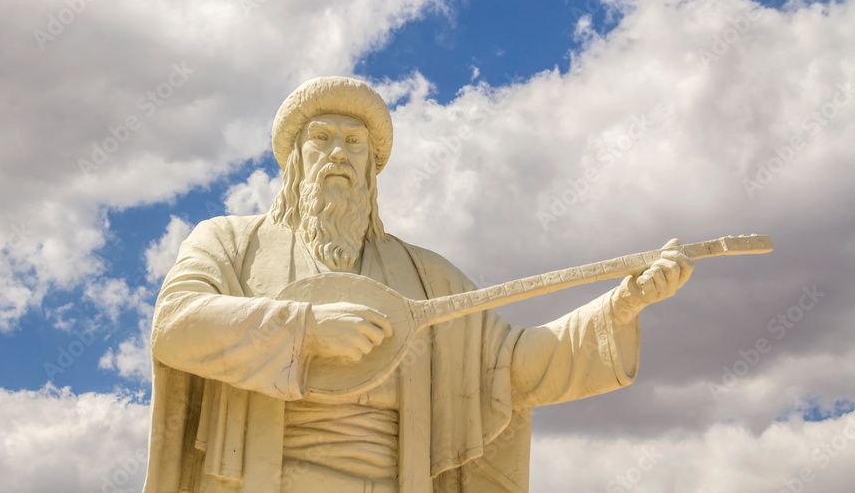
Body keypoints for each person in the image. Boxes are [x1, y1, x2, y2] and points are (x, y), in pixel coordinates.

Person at [142, 76, 692, 493]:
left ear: (372, 169)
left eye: (355, 143)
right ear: (293, 162)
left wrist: (618, 310)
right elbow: (174, 326)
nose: (338, 153)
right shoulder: (230, 245)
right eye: (322, 138)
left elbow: (512, 369)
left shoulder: (425, 276)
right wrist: (305, 330)